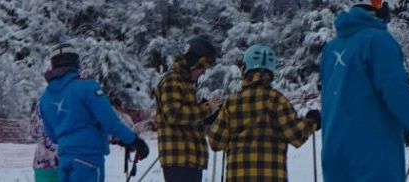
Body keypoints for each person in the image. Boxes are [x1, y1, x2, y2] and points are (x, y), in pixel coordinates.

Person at [319, 0, 409, 182]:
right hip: (372, 152)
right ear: (378, 4)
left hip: (334, 151)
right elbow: (394, 92)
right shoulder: (378, 41)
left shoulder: (331, 48)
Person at [39, 43, 149, 182]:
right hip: (88, 158)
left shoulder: (45, 97)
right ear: (76, 62)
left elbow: (52, 135)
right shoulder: (87, 87)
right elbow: (109, 121)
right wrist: (133, 140)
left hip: (64, 159)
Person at [207, 44, 319, 182]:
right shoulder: (277, 100)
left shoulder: (232, 103)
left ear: (245, 69)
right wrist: (312, 121)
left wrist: (215, 119)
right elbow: (296, 135)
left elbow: (216, 142)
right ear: (271, 72)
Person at [155, 36, 223, 182]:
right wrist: (207, 109)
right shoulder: (172, 80)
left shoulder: (185, 83)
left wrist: (211, 114)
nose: (204, 72)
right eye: (203, 67)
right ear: (194, 63)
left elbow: (189, 120)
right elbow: (174, 114)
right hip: (179, 159)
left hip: (189, 159)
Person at [31, 99, 58, 182]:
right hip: (61, 161)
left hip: (41, 162)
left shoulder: (42, 102)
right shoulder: (68, 102)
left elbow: (33, 134)